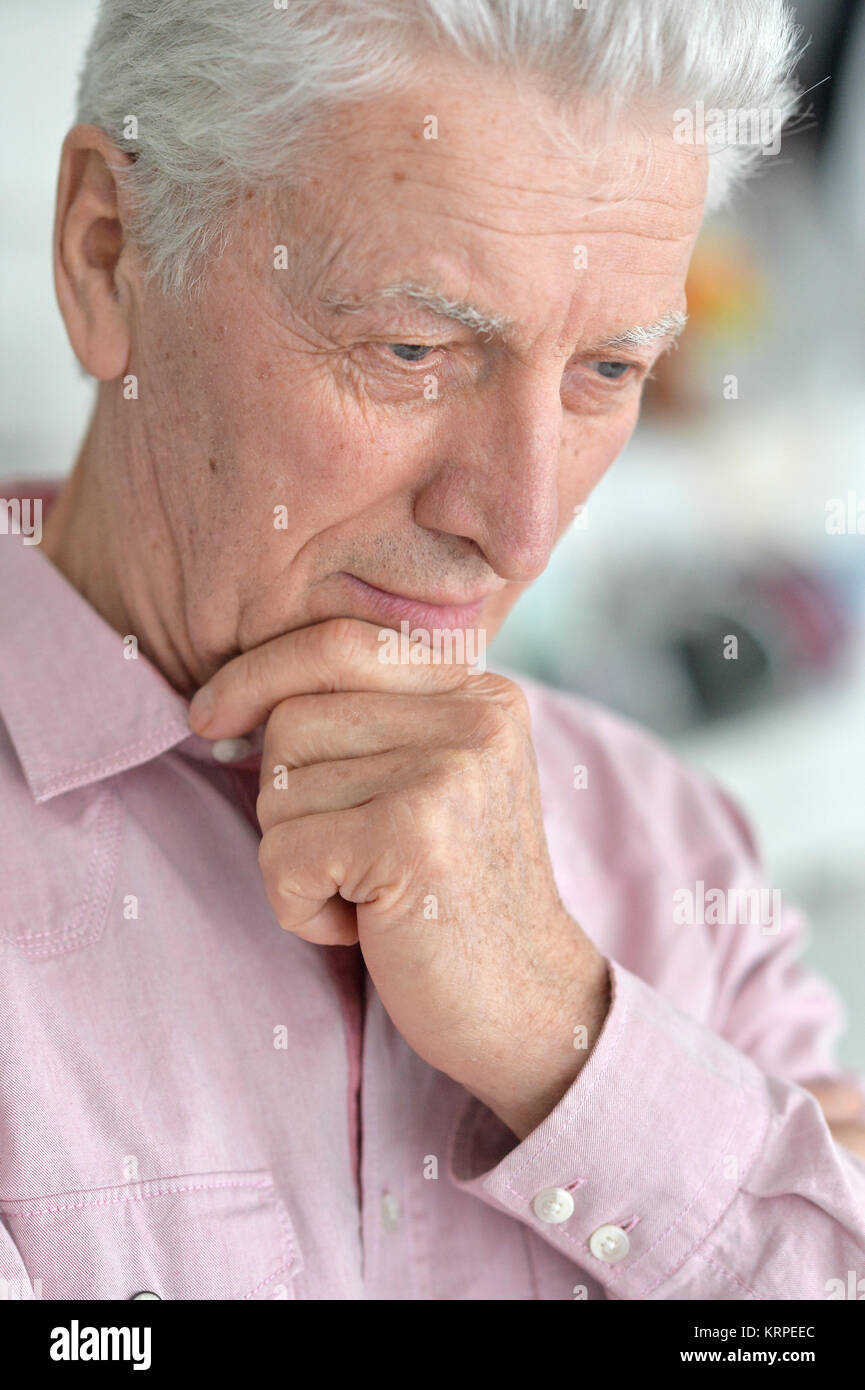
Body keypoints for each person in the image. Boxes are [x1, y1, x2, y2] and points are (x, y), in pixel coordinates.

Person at [1, 0, 863, 1302]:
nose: (516, 524)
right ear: (109, 251)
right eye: (412, 350)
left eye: (609, 371)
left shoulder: (674, 845)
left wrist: (562, 1034)